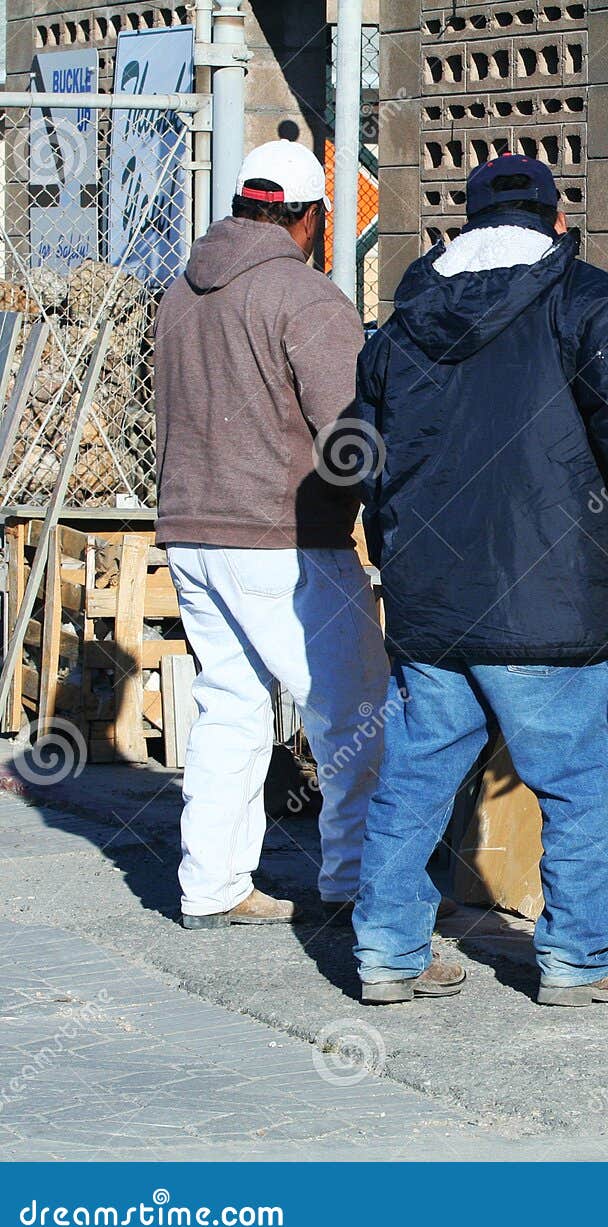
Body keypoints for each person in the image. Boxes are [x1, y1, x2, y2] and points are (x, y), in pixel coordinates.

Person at [352, 154, 608, 1006]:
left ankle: (389, 955)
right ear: (555, 221)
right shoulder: (587, 300)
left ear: (467, 225)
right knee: (579, 785)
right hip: (551, 599)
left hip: (432, 600)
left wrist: (392, 546)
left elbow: (362, 454)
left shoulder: (402, 323)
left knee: (413, 780)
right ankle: (579, 961)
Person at [153, 140, 389, 930]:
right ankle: (357, 882)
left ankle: (212, 887)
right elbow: (349, 430)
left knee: (229, 712)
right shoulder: (307, 296)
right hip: (285, 538)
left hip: (191, 532)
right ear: (311, 216)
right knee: (352, 711)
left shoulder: (180, 294)